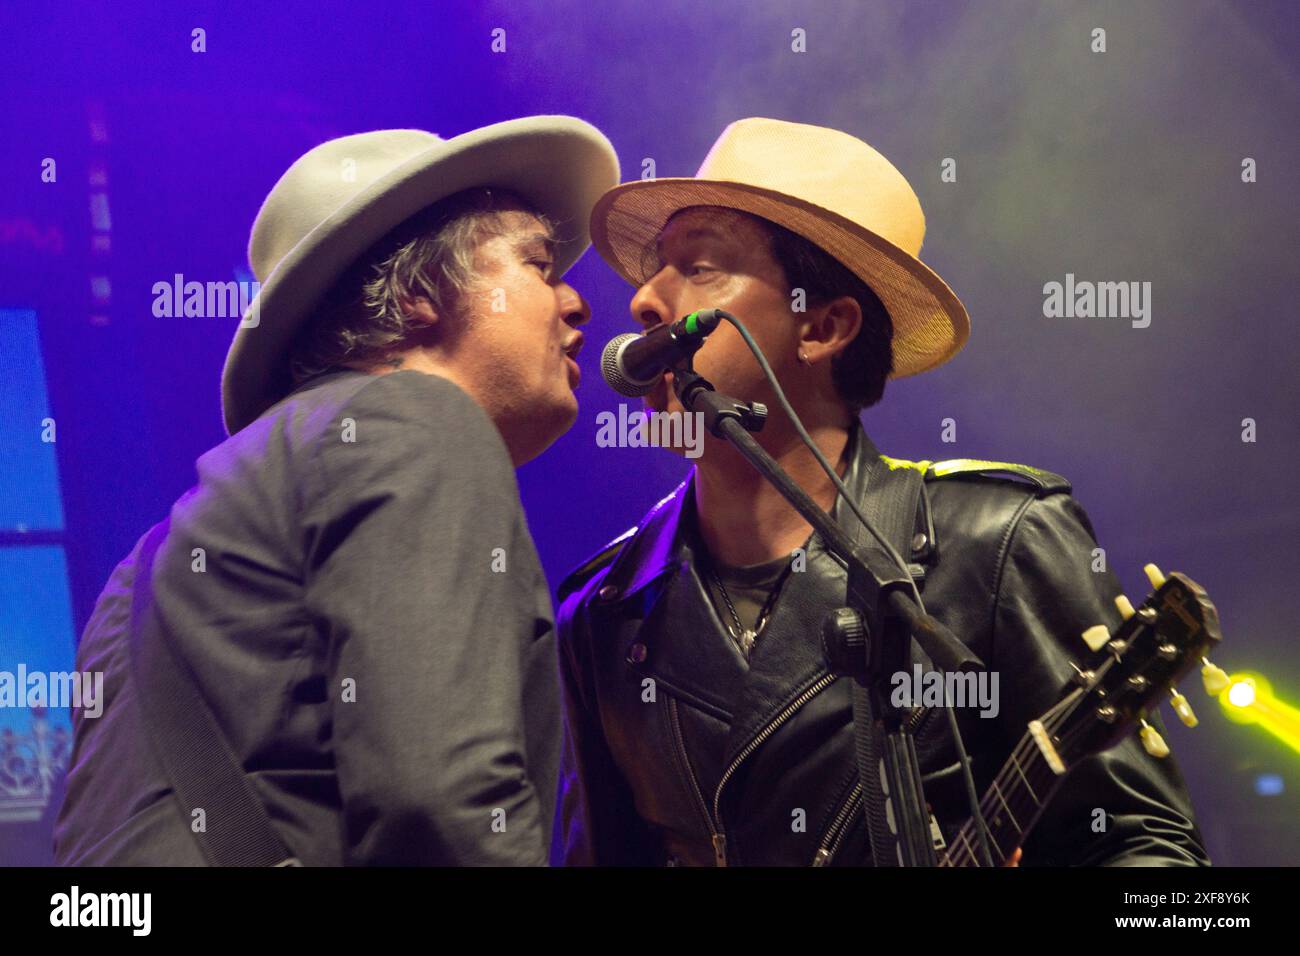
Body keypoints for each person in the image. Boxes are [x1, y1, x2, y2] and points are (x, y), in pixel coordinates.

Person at [553, 117, 1209, 866]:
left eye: (699, 267)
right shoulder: (602, 609)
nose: (645, 300)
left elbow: (1156, 870)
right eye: (654, 268)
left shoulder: (996, 542)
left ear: (825, 326)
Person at [54, 116, 619, 865]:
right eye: (539, 266)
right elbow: (441, 807)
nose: (576, 303)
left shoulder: (153, 561)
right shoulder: (420, 417)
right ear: (421, 292)